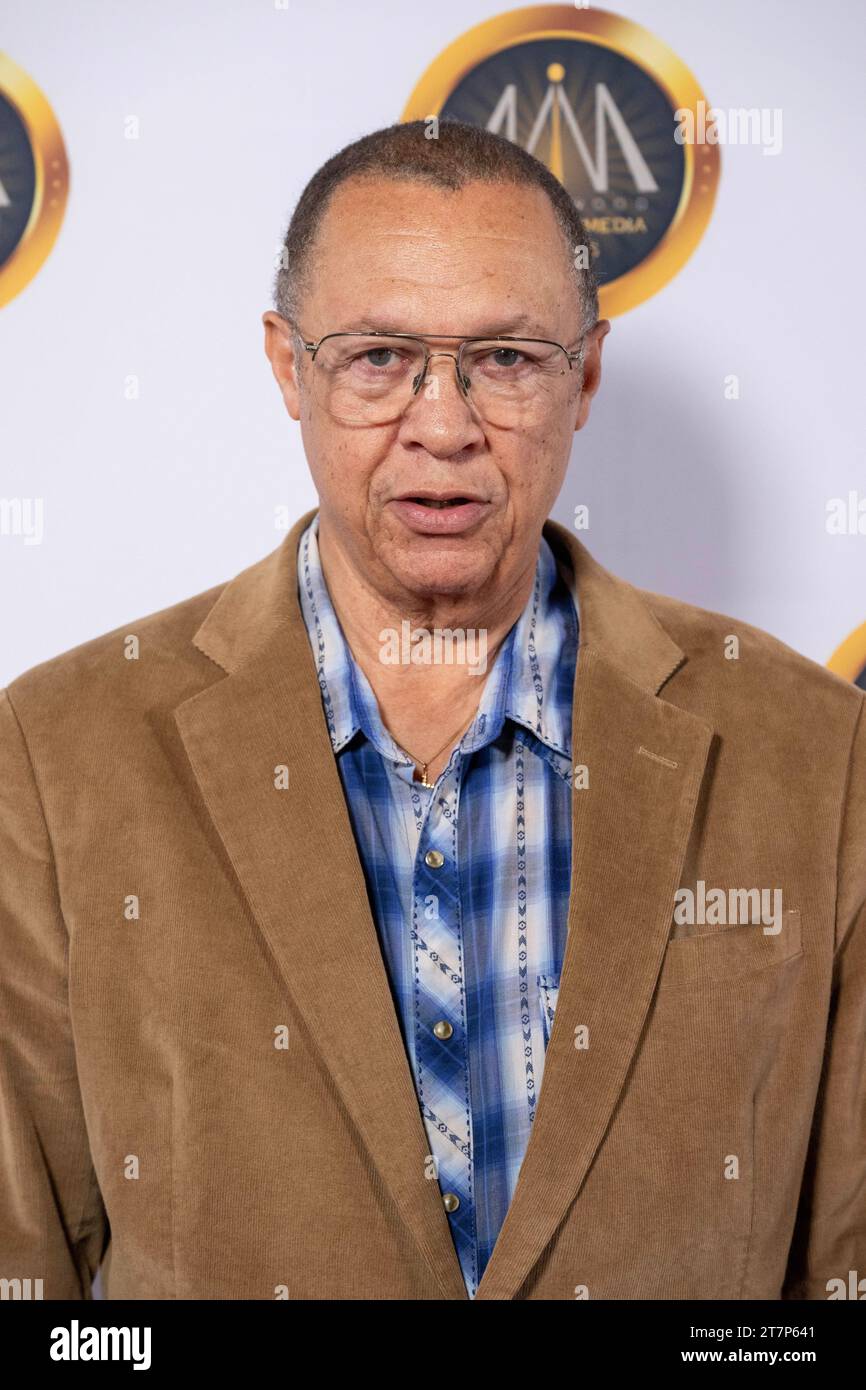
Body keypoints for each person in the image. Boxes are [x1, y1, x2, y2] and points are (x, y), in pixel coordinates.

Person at [1, 120, 863, 1302]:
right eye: (376, 357)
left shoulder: (814, 754)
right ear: (286, 367)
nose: (443, 424)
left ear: (586, 376)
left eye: (504, 358)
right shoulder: (57, 754)